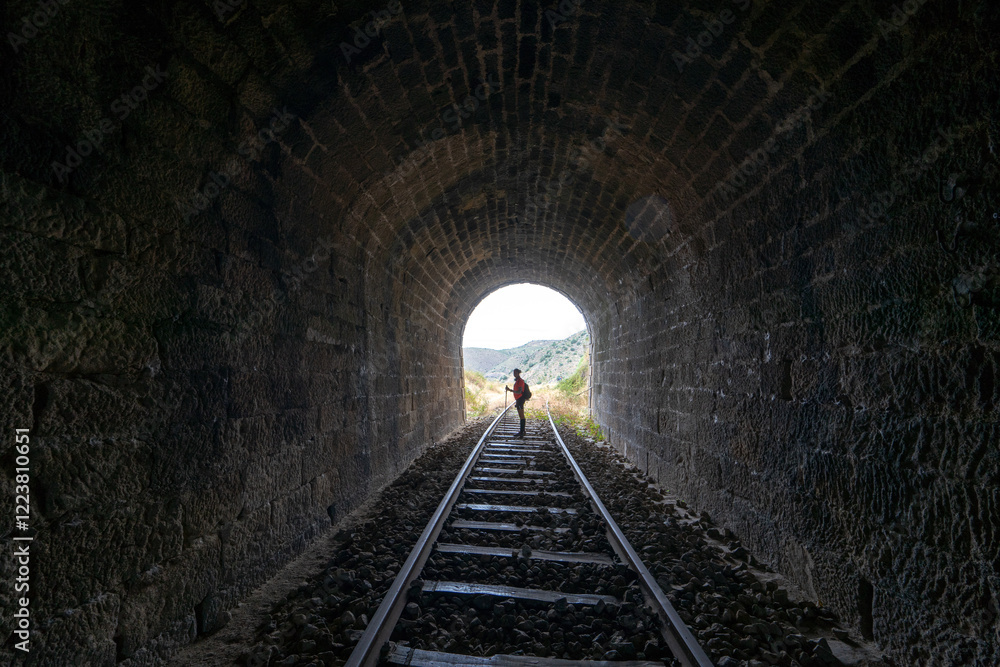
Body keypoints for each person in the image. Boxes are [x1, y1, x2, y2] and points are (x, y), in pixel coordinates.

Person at [505, 369, 526, 437]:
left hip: (520, 399)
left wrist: (510, 390)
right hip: (518, 399)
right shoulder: (517, 381)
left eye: (515, 373)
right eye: (514, 373)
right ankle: (522, 431)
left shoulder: (520, 381)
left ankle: (522, 432)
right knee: (521, 415)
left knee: (521, 416)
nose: (514, 374)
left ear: (518, 373)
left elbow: (519, 391)